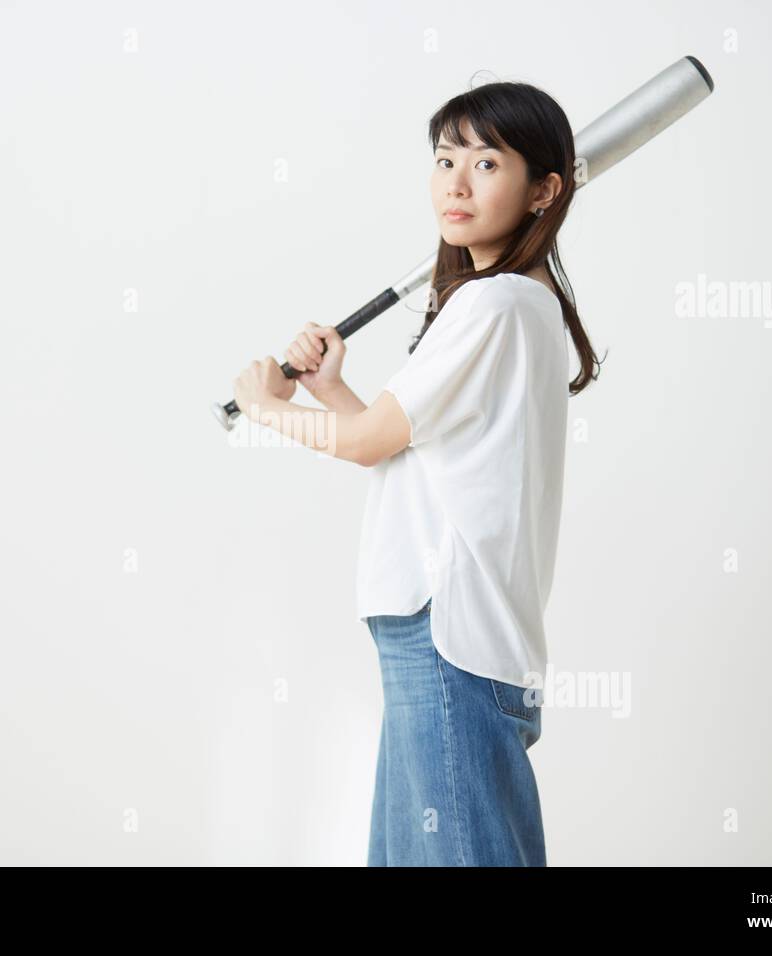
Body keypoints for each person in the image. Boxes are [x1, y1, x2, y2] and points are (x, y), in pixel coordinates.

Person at [231, 80, 603, 866]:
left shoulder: (493, 306)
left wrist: (265, 407)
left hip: (447, 634)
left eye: (487, 161)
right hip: (445, 633)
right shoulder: (519, 307)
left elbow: (368, 444)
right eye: (444, 160)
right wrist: (331, 387)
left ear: (544, 189)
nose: (456, 183)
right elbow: (413, 449)